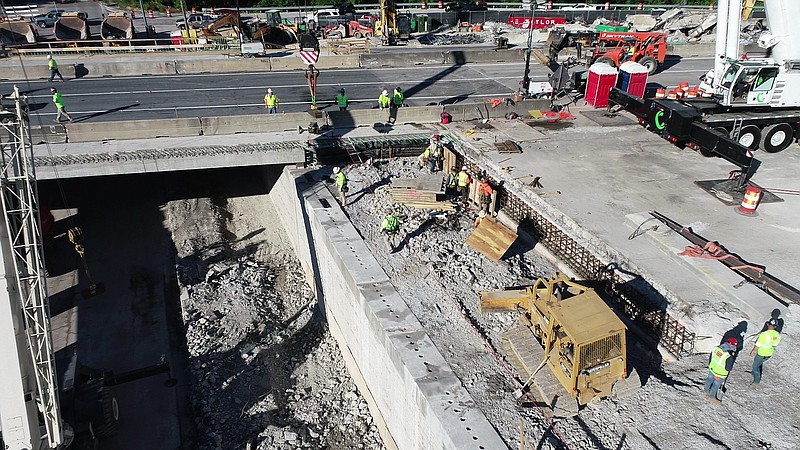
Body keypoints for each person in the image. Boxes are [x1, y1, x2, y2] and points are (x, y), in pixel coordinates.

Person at [704, 338, 737, 403]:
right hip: (720, 374)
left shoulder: (716, 349)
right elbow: (728, 368)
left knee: (709, 380)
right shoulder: (728, 356)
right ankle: (712, 397)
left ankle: (706, 391)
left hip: (712, 369)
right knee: (715, 385)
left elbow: (710, 358)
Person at [750, 318, 781, 386]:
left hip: (761, 353)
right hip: (769, 353)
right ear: (775, 326)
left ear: (767, 324)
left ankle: (756, 381)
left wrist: (753, 351)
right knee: (759, 363)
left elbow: (758, 344)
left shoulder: (764, 334)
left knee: (755, 367)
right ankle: (754, 373)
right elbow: (775, 344)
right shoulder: (777, 334)